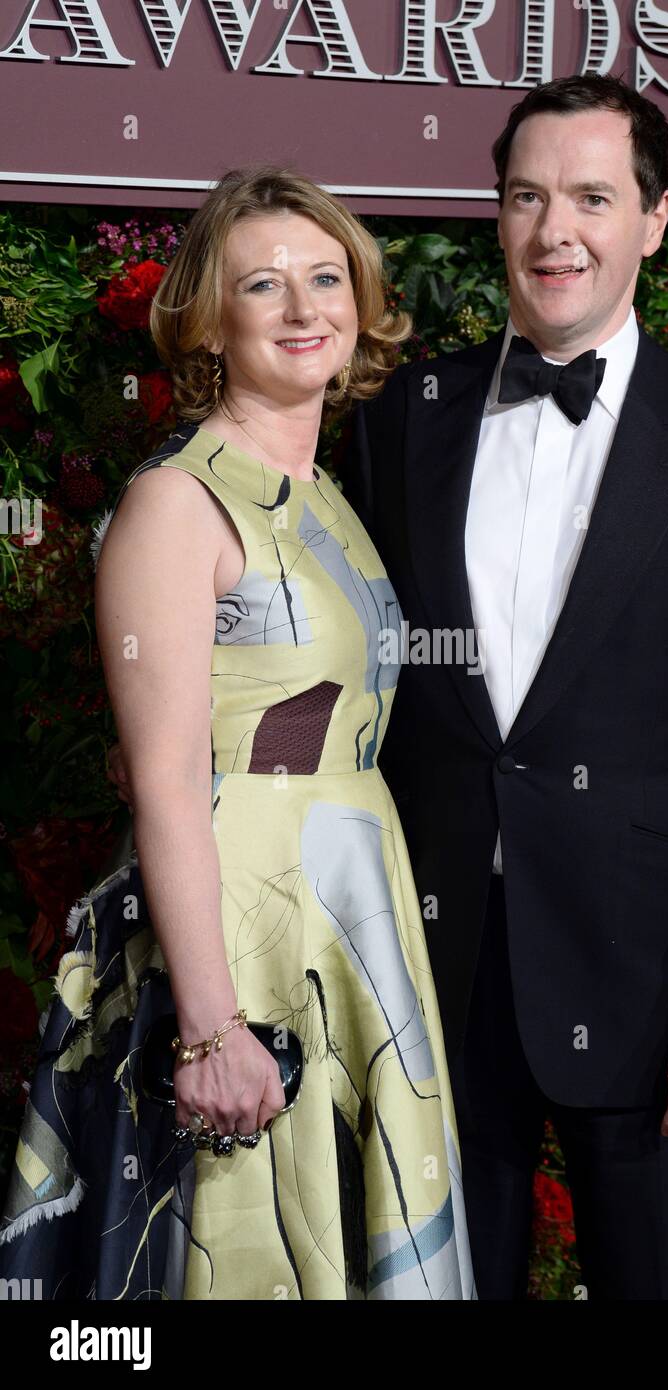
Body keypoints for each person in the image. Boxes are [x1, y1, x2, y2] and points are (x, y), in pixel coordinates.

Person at [337, 74, 668, 1299]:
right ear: (496, 216)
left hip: (654, 983)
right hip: (430, 985)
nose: (557, 232)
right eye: (527, 197)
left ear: (654, 220)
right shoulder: (402, 418)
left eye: (593, 198)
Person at [0, 165, 476, 1301]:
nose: (306, 307)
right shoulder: (178, 500)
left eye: (327, 277)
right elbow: (166, 783)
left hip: (350, 903)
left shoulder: (325, 493)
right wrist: (212, 1030)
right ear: (211, 316)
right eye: (266, 285)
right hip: (240, 926)